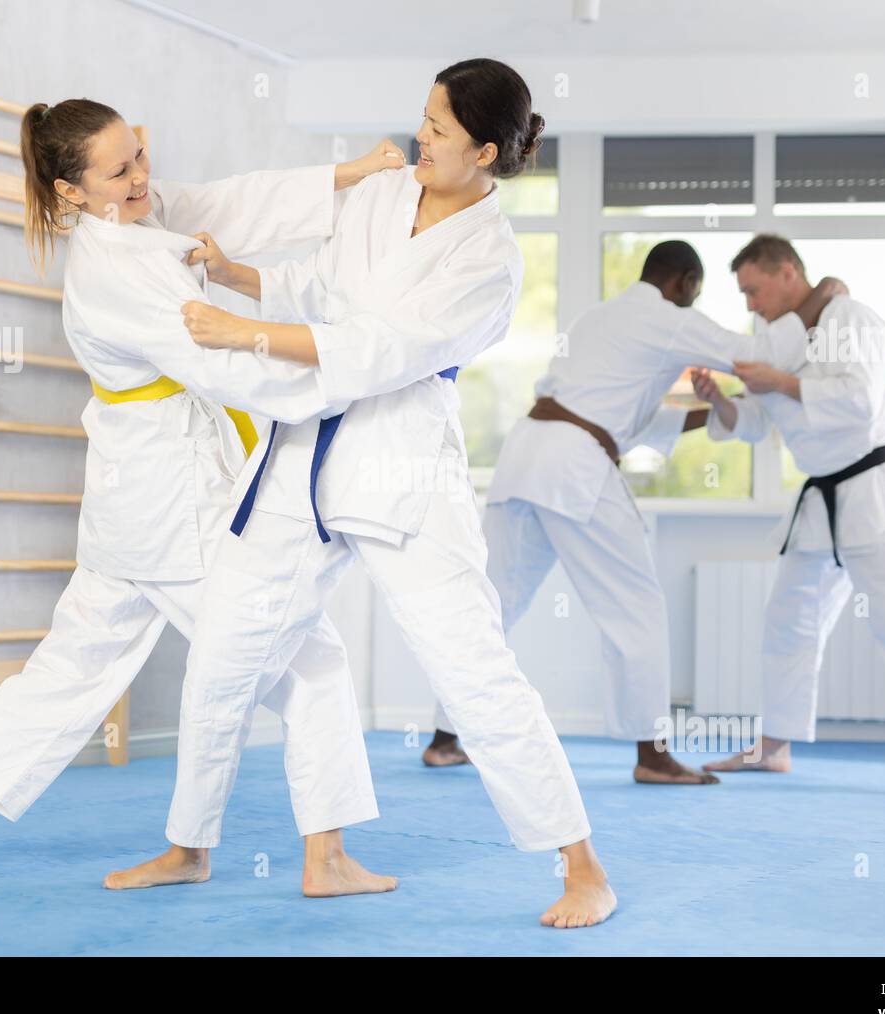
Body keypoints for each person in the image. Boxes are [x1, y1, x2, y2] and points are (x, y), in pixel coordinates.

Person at [114, 58, 617, 929]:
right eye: (423, 118)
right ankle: (191, 844)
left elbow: (384, 347)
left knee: (473, 669)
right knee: (225, 649)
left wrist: (246, 334)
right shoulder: (386, 196)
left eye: (440, 131)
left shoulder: (491, 262)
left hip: (400, 463)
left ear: (487, 152)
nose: (419, 138)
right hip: (300, 450)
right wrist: (239, 277)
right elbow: (322, 286)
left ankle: (582, 867)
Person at [0, 97, 406, 897]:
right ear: (71, 192)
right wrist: (349, 375)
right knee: (307, 660)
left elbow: (234, 200)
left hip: (135, 502)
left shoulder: (139, 221)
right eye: (119, 171)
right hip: (173, 507)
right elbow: (222, 364)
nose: (141, 178)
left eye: (140, 157)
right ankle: (306, 856)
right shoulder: (116, 266)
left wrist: (352, 173)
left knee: (72, 667)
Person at [424, 240, 843, 782]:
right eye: (696, 293)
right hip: (575, 464)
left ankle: (443, 737)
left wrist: (715, 408)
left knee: (494, 603)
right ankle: (653, 755)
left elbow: (629, 415)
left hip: (526, 456)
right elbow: (755, 353)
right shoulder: (664, 316)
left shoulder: (599, 318)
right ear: (684, 283)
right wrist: (822, 298)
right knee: (638, 607)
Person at [693, 234, 885, 801]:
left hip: (873, 485)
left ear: (787, 273)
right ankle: (774, 747)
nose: (750, 304)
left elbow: (859, 400)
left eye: (754, 290)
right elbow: (756, 422)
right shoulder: (773, 338)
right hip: (821, 499)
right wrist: (721, 400)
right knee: (789, 616)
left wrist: (778, 381)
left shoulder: (851, 318)